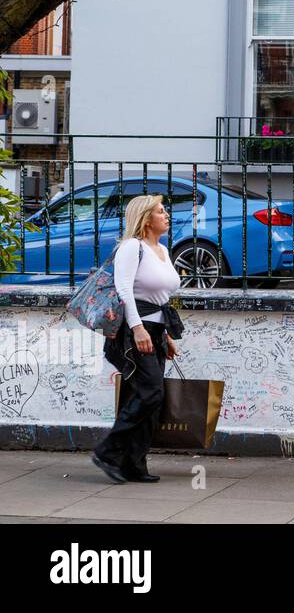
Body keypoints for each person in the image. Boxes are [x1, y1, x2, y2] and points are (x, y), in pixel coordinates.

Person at [91, 194, 184, 484]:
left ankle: (133, 464)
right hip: (134, 332)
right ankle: (108, 451)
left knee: (146, 398)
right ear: (146, 219)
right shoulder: (132, 247)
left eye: (165, 210)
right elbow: (124, 290)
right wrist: (138, 329)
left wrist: (165, 334)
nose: (166, 215)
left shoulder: (163, 250)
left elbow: (161, 297)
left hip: (155, 330)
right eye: (160, 211)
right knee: (151, 392)